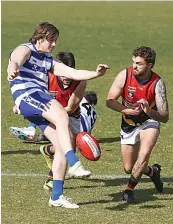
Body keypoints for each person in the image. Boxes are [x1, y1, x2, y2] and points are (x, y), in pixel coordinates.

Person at [8, 22, 109, 209]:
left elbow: (74, 73)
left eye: (55, 41)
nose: (54, 45)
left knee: (64, 143)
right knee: (62, 115)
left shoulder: (47, 60)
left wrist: (96, 73)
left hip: (37, 101)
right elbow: (16, 58)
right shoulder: (26, 49)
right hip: (29, 96)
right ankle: (74, 163)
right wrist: (13, 68)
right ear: (40, 38)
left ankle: (56, 196)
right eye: (51, 40)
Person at [106, 46, 169, 203]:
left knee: (144, 152)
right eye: (133, 62)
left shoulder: (157, 83)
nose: (134, 66)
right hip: (128, 123)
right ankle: (152, 171)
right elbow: (109, 101)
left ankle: (129, 190)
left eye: (139, 63)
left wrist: (148, 110)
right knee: (129, 167)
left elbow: (164, 116)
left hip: (149, 122)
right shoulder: (125, 75)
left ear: (150, 65)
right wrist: (127, 109)